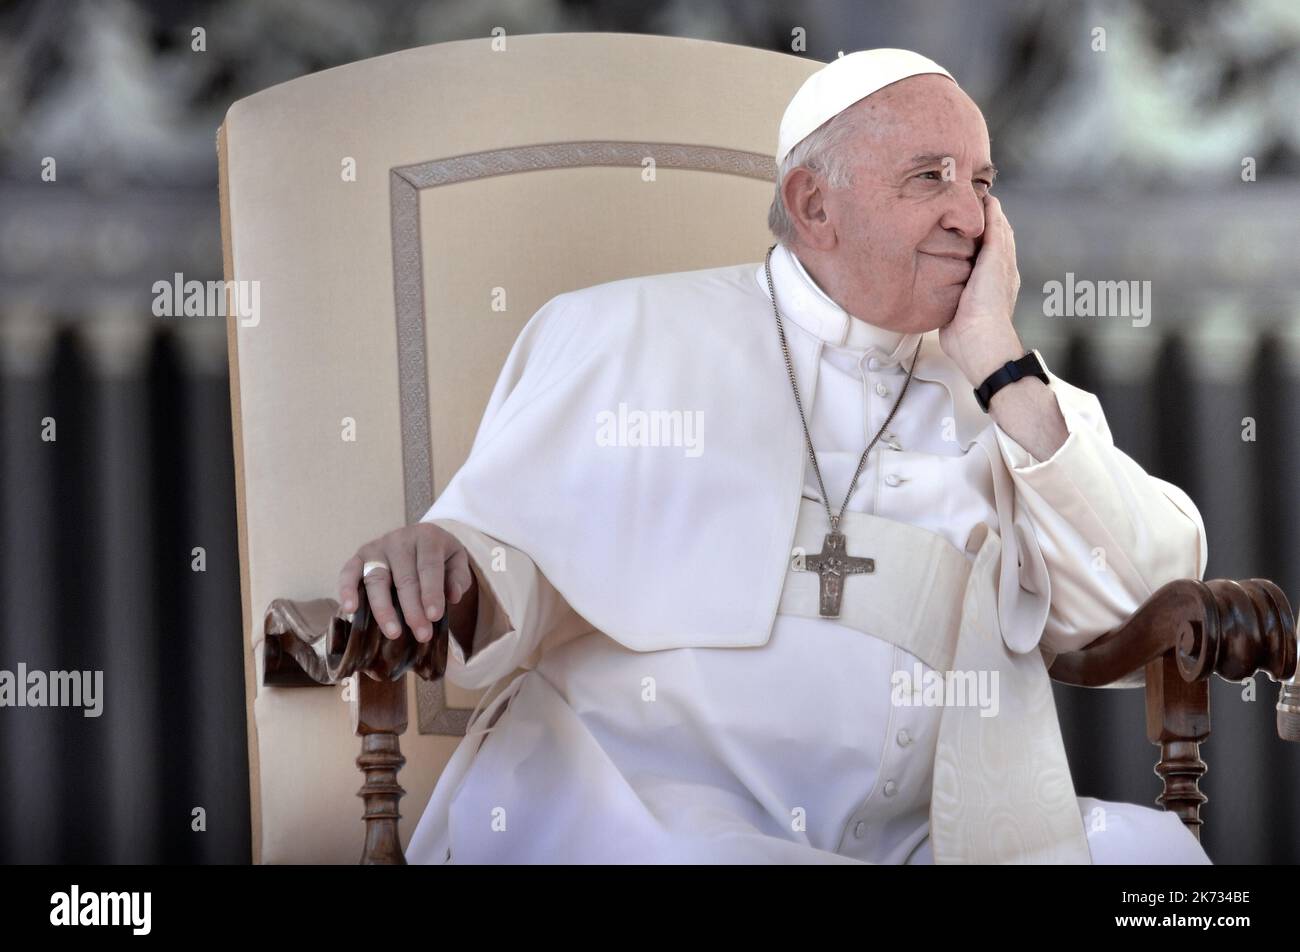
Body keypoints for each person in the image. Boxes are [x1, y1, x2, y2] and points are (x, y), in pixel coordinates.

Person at [337, 48, 1212, 864]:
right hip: (640, 806)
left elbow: (1138, 601)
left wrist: (996, 358)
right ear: (812, 205)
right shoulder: (626, 333)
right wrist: (445, 550)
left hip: (932, 835)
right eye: (930, 177)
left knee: (1166, 874)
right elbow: (504, 550)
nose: (971, 213)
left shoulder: (1010, 394)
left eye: (983, 182)